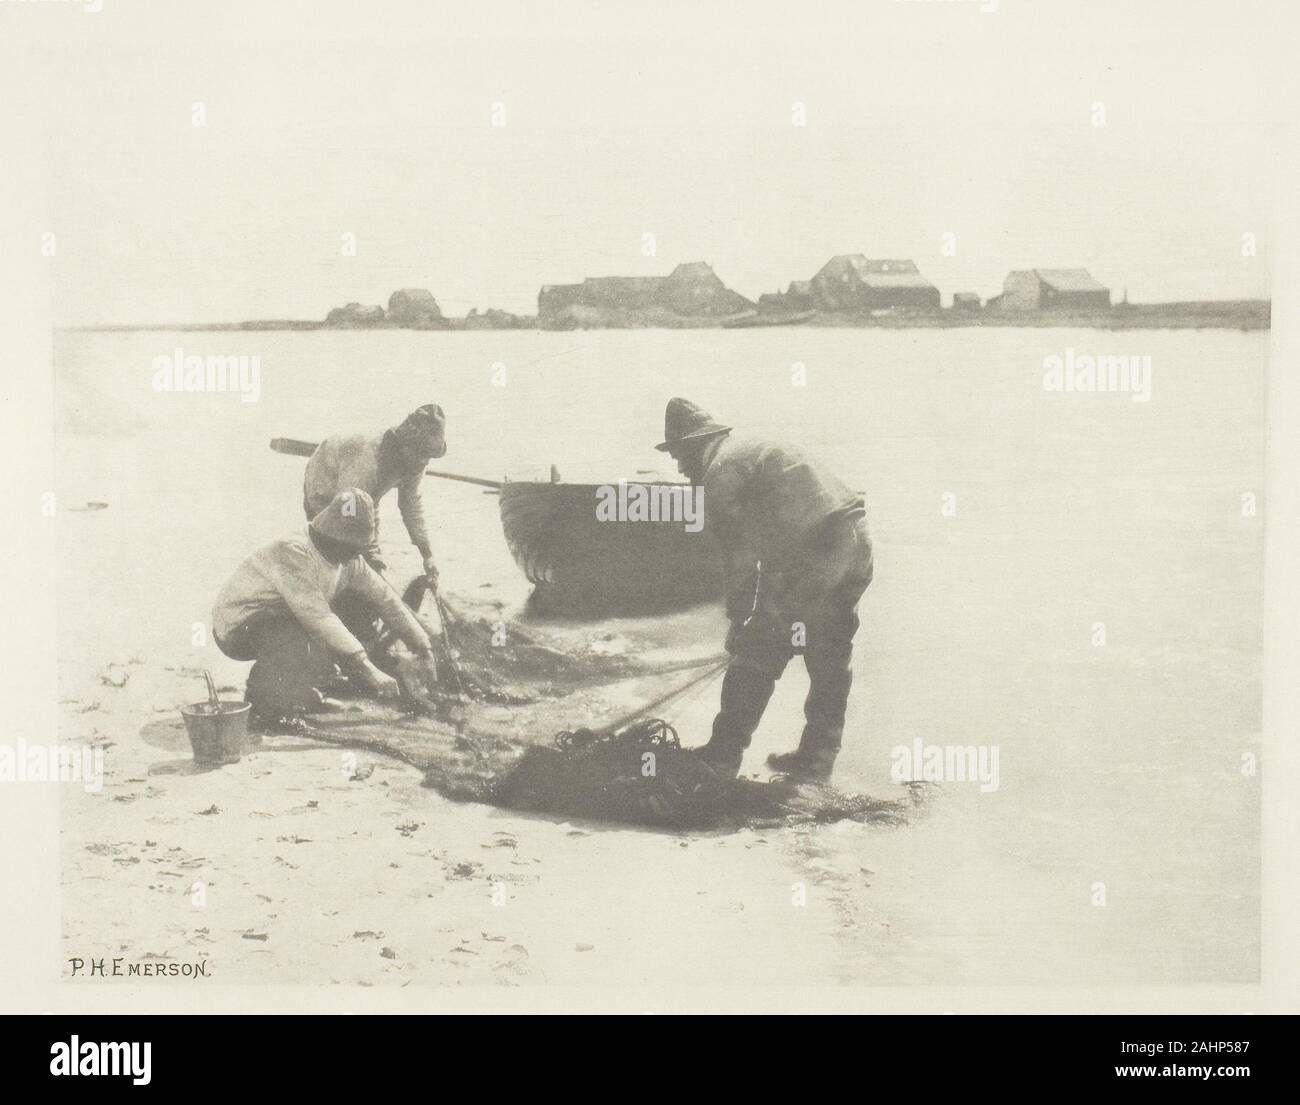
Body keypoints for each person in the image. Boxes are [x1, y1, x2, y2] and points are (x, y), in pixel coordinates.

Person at [654, 398, 873, 783]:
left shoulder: (720, 473)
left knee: (759, 651)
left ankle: (722, 756)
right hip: (856, 544)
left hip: (818, 550)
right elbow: (771, 547)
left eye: (679, 454)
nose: (680, 466)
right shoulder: (750, 450)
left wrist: (740, 620)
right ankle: (816, 763)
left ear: (695, 445)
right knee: (830, 654)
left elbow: (740, 557)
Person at [213, 488, 438, 720]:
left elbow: (386, 600)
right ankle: (264, 708)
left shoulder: (349, 560)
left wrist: (423, 647)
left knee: (361, 604)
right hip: (239, 625)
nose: (356, 554)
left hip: (287, 614)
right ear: (334, 536)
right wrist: (366, 667)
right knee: (298, 639)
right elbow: (318, 618)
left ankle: (303, 691)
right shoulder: (293, 552)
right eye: (353, 546)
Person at [303, 403, 447, 584]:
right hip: (326, 486)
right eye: (420, 454)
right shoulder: (367, 456)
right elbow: (348, 510)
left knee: (370, 561)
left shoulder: (415, 463)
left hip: (366, 495)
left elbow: (412, 507)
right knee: (335, 552)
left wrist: (427, 555)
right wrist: (366, 555)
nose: (424, 462)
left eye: (429, 456)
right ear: (405, 445)